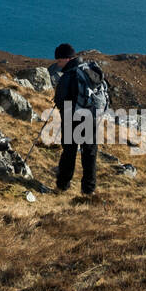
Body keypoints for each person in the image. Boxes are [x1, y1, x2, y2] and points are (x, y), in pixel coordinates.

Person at [50, 43, 109, 195]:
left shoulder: (69, 75)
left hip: (73, 117)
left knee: (69, 152)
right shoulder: (89, 70)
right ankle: (88, 190)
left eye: (59, 60)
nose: (58, 63)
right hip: (92, 117)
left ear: (66, 59)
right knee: (89, 153)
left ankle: (62, 185)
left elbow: (61, 100)